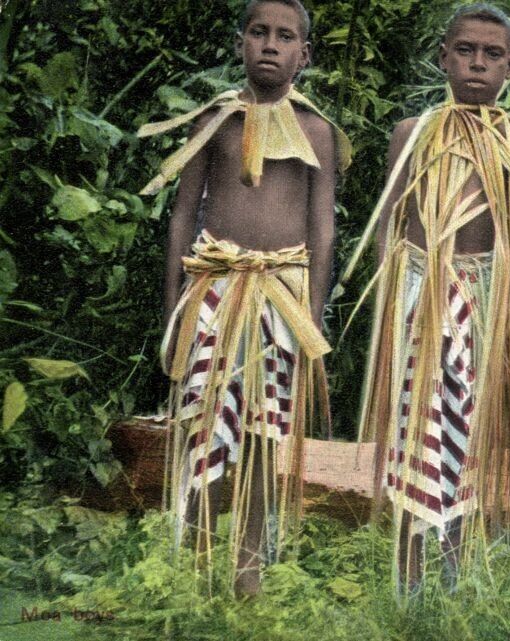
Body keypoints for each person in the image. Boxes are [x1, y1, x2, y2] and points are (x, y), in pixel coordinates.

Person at [138, 0, 350, 596]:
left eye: (285, 37)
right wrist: (176, 302)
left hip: (282, 297)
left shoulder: (316, 131)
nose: (270, 45)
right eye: (259, 32)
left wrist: (313, 311)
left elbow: (323, 227)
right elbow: (183, 214)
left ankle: (249, 565)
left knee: (263, 430)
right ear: (240, 43)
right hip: (214, 286)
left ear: (304, 55)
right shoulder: (215, 121)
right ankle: (199, 557)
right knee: (202, 419)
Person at [340, 3, 510, 593]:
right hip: (419, 293)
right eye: (466, 51)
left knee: (473, 430)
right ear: (443, 58)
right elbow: (389, 222)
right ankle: (409, 574)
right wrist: (390, 303)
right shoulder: (412, 134)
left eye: (491, 54)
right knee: (414, 428)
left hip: (487, 297)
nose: (477, 63)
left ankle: (458, 571)